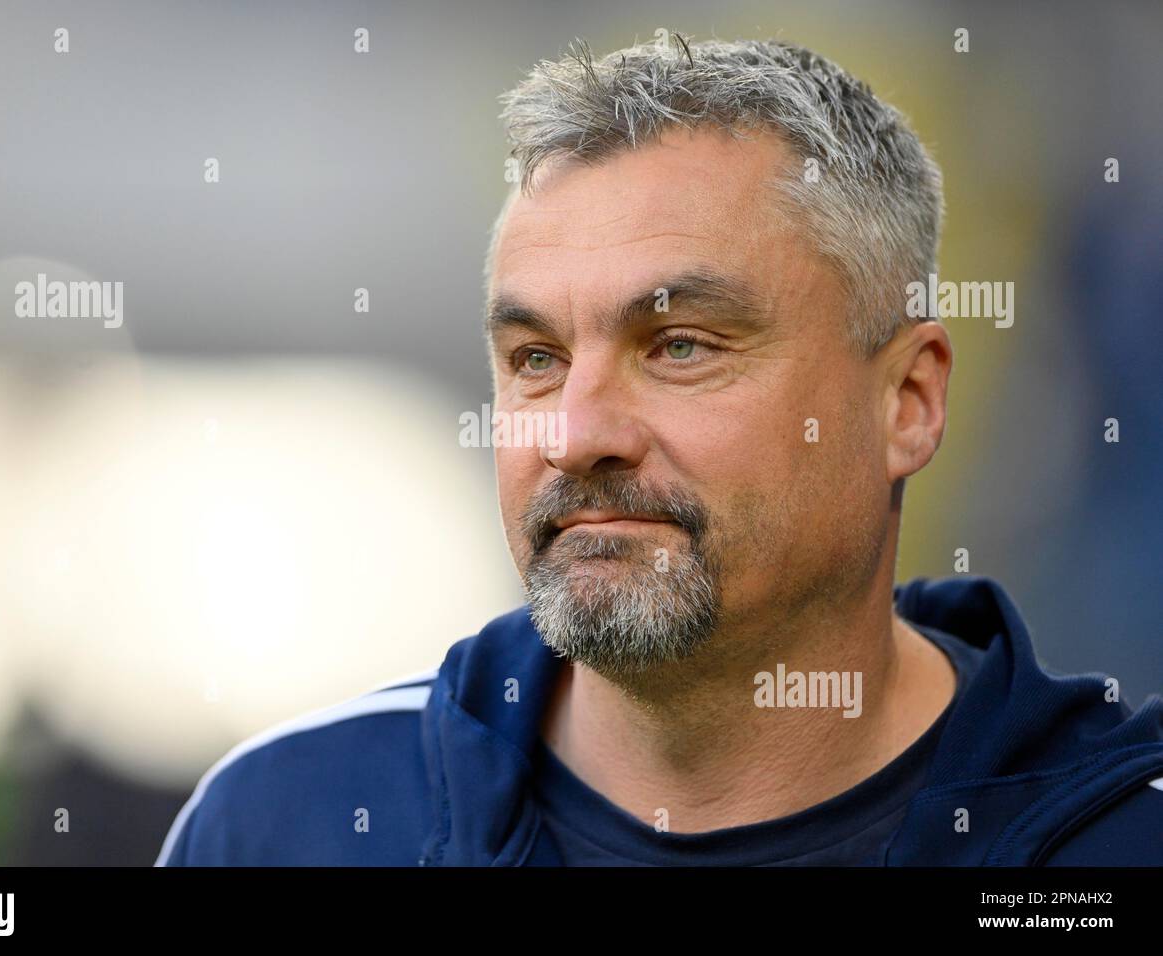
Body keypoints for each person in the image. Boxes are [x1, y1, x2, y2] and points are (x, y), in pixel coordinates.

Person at [157, 36, 1163, 866]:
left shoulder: (1120, 840)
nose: (575, 434)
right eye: (537, 358)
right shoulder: (284, 824)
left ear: (906, 401)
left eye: (679, 346)